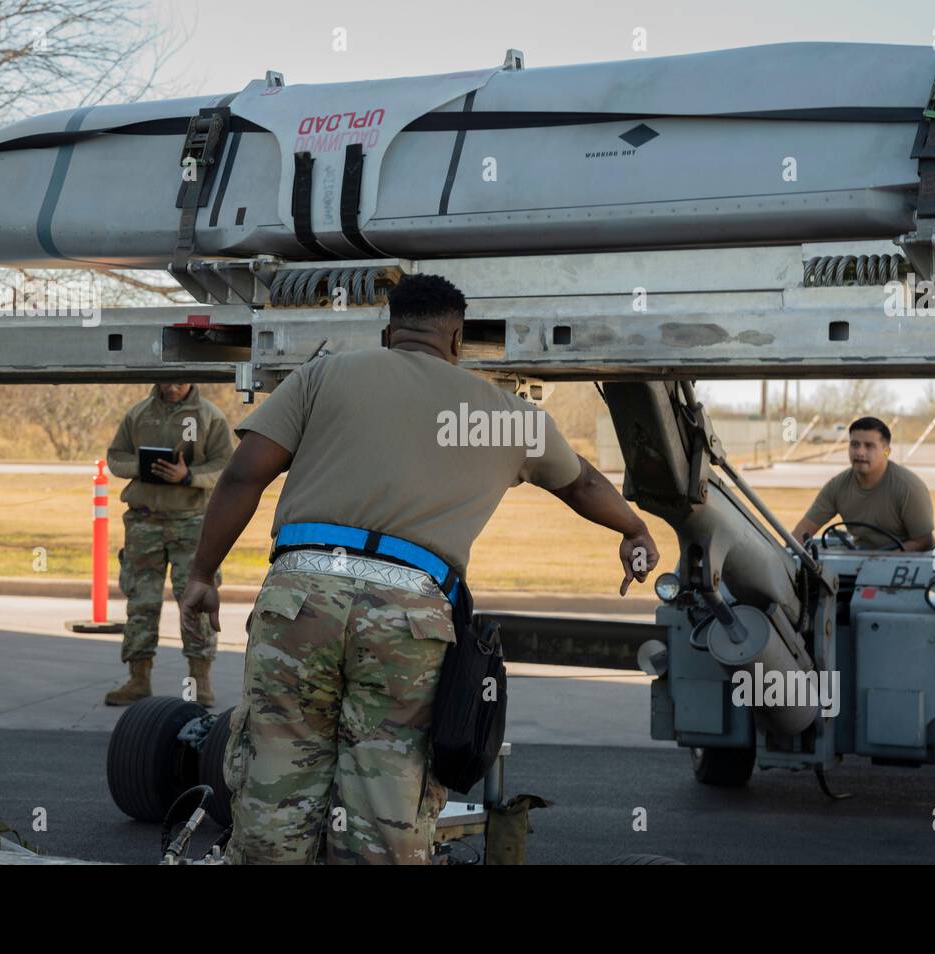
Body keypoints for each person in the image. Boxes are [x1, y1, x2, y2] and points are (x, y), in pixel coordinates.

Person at [180, 273, 659, 864]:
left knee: (275, 785)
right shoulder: (506, 415)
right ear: (456, 339)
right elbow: (582, 482)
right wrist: (633, 529)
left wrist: (202, 574)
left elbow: (243, 473)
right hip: (408, 614)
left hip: (301, 597)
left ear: (388, 331)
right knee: (387, 802)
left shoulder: (325, 375)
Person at [103, 382, 234, 706]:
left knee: (196, 602)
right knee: (140, 602)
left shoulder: (210, 417)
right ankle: (138, 679)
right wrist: (143, 468)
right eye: (167, 380)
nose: (172, 387)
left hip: (191, 523)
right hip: (144, 522)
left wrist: (187, 476)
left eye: (179, 381)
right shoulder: (138, 414)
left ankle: (200, 683)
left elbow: (225, 466)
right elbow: (115, 456)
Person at [791, 416, 935, 551]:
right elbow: (804, 529)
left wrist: (881, 562)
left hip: (903, 567)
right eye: (855, 445)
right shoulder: (837, 486)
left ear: (886, 452)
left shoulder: (909, 487)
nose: (860, 452)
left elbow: (925, 542)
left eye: (869, 446)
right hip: (859, 559)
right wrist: (786, 556)